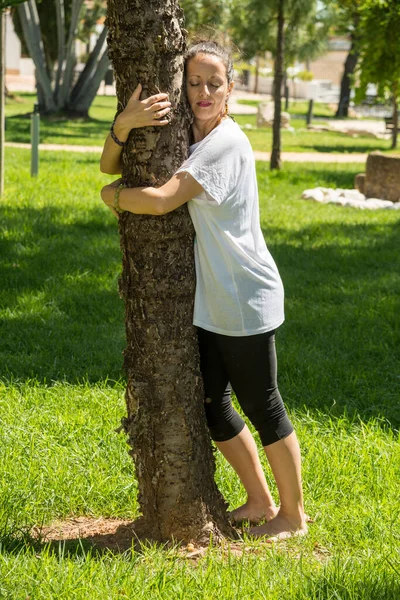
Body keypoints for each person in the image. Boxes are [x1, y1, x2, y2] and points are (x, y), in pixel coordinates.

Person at [100, 40, 308, 541]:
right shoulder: (188, 133)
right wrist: (123, 126)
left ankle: (293, 517)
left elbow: (161, 200)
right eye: (194, 83)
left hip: (244, 296)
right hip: (215, 298)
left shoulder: (225, 143)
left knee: (264, 405)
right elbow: (112, 161)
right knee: (213, 404)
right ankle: (259, 500)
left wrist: (113, 198)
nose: (204, 92)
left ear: (231, 89)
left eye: (215, 83)